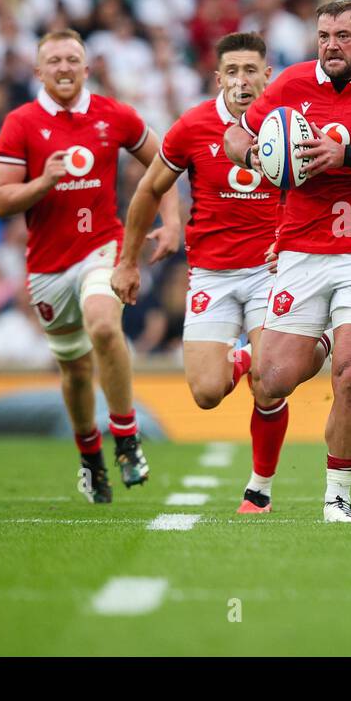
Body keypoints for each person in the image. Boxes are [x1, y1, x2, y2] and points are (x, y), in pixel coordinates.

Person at [223, 0, 351, 522]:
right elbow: (234, 134)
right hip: (302, 247)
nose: (332, 45)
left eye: (343, 35)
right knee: (271, 381)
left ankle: (337, 495)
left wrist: (349, 155)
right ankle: (317, 341)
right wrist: (258, 157)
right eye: (324, 35)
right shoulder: (291, 84)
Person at [113, 32, 300, 514]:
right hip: (212, 274)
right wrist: (128, 261)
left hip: (270, 271)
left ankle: (259, 489)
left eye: (251, 71)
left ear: (268, 75)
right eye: (232, 72)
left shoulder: (291, 124)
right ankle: (240, 361)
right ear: (218, 78)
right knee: (206, 393)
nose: (242, 81)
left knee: (272, 379)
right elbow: (150, 188)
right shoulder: (193, 126)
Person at [0, 30, 178, 503]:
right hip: (48, 266)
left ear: (86, 67)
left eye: (73, 59)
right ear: (39, 71)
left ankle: (127, 439)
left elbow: (166, 162)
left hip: (104, 246)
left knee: (104, 327)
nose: (64, 67)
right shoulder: (20, 123)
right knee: (73, 371)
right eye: (54, 60)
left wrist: (172, 220)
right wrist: (42, 182)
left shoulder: (113, 115)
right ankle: (91, 458)